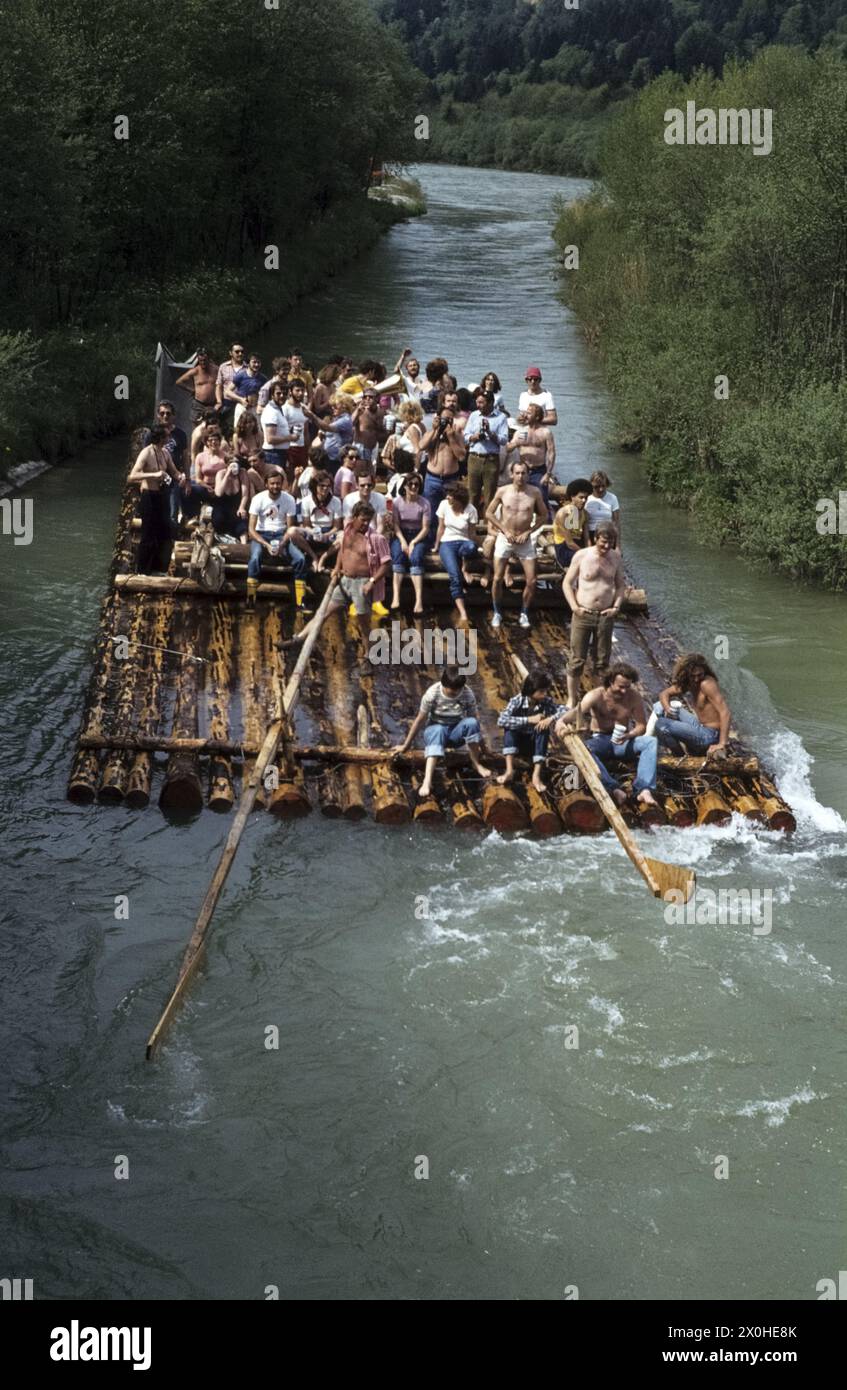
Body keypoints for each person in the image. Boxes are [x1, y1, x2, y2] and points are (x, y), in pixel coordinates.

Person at [279, 502, 391, 671]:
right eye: (363, 520)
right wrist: (337, 568)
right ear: (354, 518)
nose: (366, 524)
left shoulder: (376, 538)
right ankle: (298, 639)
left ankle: (369, 657)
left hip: (362, 584)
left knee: (364, 623)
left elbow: (386, 564)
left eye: (369, 520)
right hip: (345, 581)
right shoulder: (347, 530)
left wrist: (371, 582)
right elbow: (343, 551)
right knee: (322, 613)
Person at [555, 663, 658, 808]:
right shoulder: (596, 695)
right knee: (584, 749)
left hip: (622, 741)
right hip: (600, 738)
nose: (624, 691)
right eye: (621, 686)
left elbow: (641, 725)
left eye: (627, 686)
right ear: (611, 681)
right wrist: (561, 721)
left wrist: (630, 735)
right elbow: (576, 712)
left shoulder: (633, 697)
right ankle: (614, 788)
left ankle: (644, 789)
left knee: (650, 742)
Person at [392, 666, 492, 798]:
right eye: (451, 693)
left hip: (455, 734)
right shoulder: (432, 693)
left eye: (458, 691)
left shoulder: (467, 694)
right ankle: (427, 781)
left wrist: (484, 749)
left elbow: (475, 723)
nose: (455, 694)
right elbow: (419, 720)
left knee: (472, 722)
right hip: (435, 733)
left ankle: (476, 764)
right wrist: (406, 746)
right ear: (443, 685)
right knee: (438, 729)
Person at [563, 521, 626, 710]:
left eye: (610, 543)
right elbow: (567, 583)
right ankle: (572, 699)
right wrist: (574, 607)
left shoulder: (615, 558)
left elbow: (621, 585)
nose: (606, 547)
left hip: (605, 615)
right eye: (603, 542)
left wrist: (616, 607)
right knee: (576, 660)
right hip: (583, 613)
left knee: (602, 661)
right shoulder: (582, 556)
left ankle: (598, 698)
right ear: (595, 539)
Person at [485, 459, 547, 629]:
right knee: (497, 578)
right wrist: (504, 530)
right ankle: (497, 612)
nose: (520, 476)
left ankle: (524, 613)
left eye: (523, 473)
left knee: (532, 580)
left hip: (524, 540)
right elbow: (489, 513)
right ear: (512, 474)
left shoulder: (534, 492)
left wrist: (530, 531)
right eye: (517, 473)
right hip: (506, 538)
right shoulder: (502, 491)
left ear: (528, 474)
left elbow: (544, 515)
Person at [497, 669, 568, 793]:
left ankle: (536, 775)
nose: (545, 694)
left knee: (543, 728)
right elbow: (501, 721)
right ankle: (509, 771)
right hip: (516, 745)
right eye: (541, 691)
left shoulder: (546, 701)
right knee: (510, 728)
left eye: (545, 691)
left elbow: (566, 710)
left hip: (534, 746)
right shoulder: (517, 701)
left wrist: (550, 718)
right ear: (530, 690)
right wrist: (528, 719)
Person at [652, 654, 732, 758]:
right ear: (686, 674)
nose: (696, 679)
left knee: (661, 724)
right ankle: (684, 751)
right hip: (700, 727)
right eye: (692, 676)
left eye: (700, 675)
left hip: (710, 735)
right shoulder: (690, 683)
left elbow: (725, 712)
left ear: (705, 670)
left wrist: (722, 743)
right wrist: (668, 709)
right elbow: (664, 694)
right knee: (661, 706)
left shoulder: (707, 684)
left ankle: (679, 756)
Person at [246, 471, 307, 606]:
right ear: (266, 484)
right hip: (261, 534)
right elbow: (251, 530)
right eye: (272, 483)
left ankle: (300, 600)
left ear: (282, 483)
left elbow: (290, 528)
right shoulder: (258, 498)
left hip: (281, 534)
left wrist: (282, 544)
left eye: (278, 483)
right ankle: (250, 598)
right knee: (255, 557)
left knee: (300, 558)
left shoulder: (289, 499)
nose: (275, 486)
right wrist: (266, 545)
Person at [127, 425, 181, 573]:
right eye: (167, 436)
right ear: (161, 437)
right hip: (149, 496)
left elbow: (174, 472)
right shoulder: (146, 453)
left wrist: (181, 478)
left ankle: (159, 568)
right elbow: (133, 476)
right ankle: (143, 570)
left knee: (164, 532)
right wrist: (154, 475)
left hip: (162, 496)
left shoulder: (165, 453)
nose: (169, 438)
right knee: (148, 535)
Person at [419, 404, 465, 541]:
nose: (447, 423)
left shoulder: (456, 436)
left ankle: (447, 540)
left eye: (449, 420)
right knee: (430, 512)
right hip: (432, 479)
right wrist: (435, 430)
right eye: (444, 419)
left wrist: (451, 438)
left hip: (451, 479)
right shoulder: (432, 432)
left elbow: (461, 456)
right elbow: (421, 446)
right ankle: (431, 541)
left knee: (451, 511)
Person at [435, 483, 479, 625]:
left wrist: (466, 563)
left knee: (471, 547)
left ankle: (463, 567)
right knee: (455, 576)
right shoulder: (443, 505)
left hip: (464, 543)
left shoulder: (470, 509)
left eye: (451, 495)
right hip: (447, 542)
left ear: (458, 498)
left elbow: (472, 534)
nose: (448, 497)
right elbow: (441, 528)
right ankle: (463, 612)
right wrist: (436, 546)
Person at [390, 473, 430, 613]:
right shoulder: (397, 502)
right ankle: (396, 597)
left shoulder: (424, 503)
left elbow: (426, 528)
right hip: (401, 533)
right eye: (410, 484)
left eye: (416, 484)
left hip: (418, 535)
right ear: (405, 486)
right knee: (397, 555)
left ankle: (418, 600)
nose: (413, 487)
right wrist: (402, 541)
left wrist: (413, 542)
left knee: (416, 557)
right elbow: (395, 524)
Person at [465, 389, 509, 516]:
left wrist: (490, 433)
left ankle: (488, 526)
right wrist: (475, 437)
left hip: (491, 459)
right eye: (477, 402)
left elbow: (504, 440)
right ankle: (472, 524)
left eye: (481, 403)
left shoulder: (501, 417)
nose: (478, 405)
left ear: (490, 403)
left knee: (490, 494)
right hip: (474, 458)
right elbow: (465, 437)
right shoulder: (473, 415)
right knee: (473, 493)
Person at [287, 471, 343, 572]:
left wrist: (326, 535)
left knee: (343, 536)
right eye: (322, 486)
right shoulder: (307, 501)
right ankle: (313, 556)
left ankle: (323, 558)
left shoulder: (335, 501)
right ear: (315, 486)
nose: (325, 488)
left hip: (329, 531)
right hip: (312, 530)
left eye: (328, 486)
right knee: (292, 531)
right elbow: (306, 525)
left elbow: (337, 526)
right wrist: (313, 532)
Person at [505, 402, 556, 513]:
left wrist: (548, 474)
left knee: (542, 498)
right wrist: (516, 443)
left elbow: (551, 453)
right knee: (522, 499)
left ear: (537, 416)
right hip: (523, 470)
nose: (525, 415)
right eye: (526, 412)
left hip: (539, 470)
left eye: (529, 413)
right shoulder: (520, 432)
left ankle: (546, 524)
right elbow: (508, 449)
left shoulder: (546, 432)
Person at [552, 477, 592, 570]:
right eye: (581, 497)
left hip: (577, 544)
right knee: (586, 561)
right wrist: (585, 554)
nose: (584, 501)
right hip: (564, 548)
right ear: (572, 497)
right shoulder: (564, 513)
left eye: (586, 498)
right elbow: (569, 543)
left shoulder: (585, 514)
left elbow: (586, 538)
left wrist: (590, 551)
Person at [260, 380, 292, 476]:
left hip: (279, 453)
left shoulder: (278, 408)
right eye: (278, 393)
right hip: (273, 454)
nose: (282, 396)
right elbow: (270, 439)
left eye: (284, 393)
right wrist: (290, 437)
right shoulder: (271, 412)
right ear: (272, 395)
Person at [585, 470, 622, 549]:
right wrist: (588, 544)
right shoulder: (586, 499)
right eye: (597, 486)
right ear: (591, 485)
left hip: (608, 534)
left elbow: (617, 523)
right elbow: (585, 524)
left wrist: (618, 546)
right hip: (592, 533)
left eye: (603, 486)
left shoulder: (613, 498)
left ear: (607, 484)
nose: (600, 489)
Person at [283, 378, 310, 483]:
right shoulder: (285, 408)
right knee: (290, 477)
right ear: (290, 391)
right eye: (297, 390)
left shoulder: (304, 408)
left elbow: (306, 431)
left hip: (302, 448)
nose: (300, 393)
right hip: (289, 448)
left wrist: (308, 450)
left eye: (302, 391)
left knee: (303, 478)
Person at [352, 386, 385, 462]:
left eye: (370, 397)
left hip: (374, 447)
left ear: (377, 399)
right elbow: (351, 423)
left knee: (371, 472)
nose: (367, 399)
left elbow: (381, 432)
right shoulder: (360, 411)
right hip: (361, 447)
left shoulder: (381, 412)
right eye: (365, 397)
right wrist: (357, 411)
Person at [215, 343, 247, 421]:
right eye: (237, 351)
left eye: (242, 352)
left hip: (242, 403)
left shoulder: (248, 368)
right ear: (230, 353)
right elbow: (219, 386)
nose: (240, 354)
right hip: (227, 403)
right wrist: (219, 401)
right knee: (224, 427)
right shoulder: (223, 367)